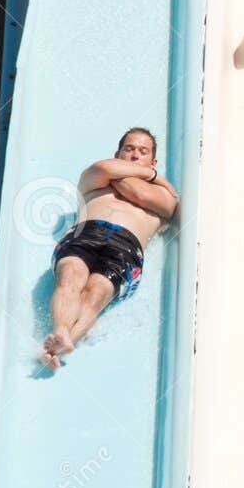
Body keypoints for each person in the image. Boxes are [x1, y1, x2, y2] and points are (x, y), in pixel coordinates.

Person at [41, 127, 178, 371]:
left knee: (96, 294)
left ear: (153, 160)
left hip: (126, 245)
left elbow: (138, 193)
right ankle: (61, 331)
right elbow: (104, 169)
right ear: (117, 153)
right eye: (129, 149)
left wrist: (133, 176)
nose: (135, 155)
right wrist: (151, 174)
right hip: (87, 232)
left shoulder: (164, 195)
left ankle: (65, 342)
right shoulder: (95, 176)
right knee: (70, 276)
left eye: (143, 151)